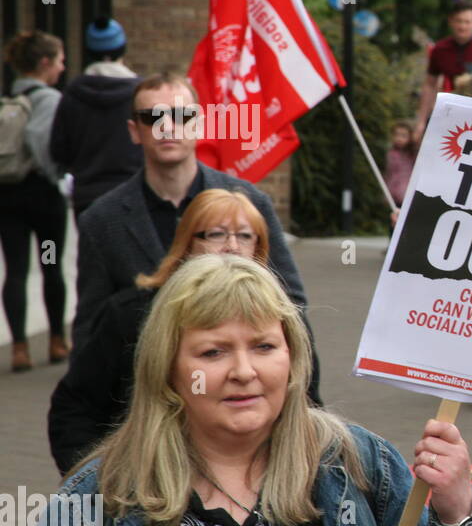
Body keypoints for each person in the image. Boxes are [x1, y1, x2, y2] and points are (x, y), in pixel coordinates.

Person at [0, 254, 472, 526]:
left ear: (293, 358)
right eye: (213, 352)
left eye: (263, 347)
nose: (244, 371)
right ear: (168, 369)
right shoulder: (97, 502)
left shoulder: (355, 466)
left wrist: (455, 513)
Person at [48, 189, 326, 472]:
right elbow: (75, 408)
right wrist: (96, 484)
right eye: (216, 234)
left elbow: (308, 403)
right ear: (186, 243)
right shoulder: (131, 314)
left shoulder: (285, 317)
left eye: (244, 236)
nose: (232, 246)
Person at [71, 72, 307, 355]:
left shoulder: (250, 203)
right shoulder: (102, 220)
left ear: (200, 123)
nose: (168, 127)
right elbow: (90, 328)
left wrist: (306, 393)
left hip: (236, 380)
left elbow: (291, 304)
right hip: (140, 386)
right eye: (152, 117)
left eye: (181, 115)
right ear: (135, 130)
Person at [1, 31, 69, 371]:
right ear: (44, 64)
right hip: (42, 196)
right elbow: (39, 137)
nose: (62, 66)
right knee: (50, 266)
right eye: (59, 60)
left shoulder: (9, 97)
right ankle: (57, 340)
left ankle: (19, 347)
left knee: (15, 270)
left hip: (8, 195)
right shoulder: (49, 99)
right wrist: (57, 174)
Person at [48, 17, 141, 219]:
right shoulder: (140, 93)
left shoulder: (72, 92)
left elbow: (58, 149)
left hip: (86, 195)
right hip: (134, 193)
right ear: (123, 48)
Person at [417, 0, 472, 130]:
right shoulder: (440, 49)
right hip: (456, 111)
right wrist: (421, 122)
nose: (462, 26)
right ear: (451, 21)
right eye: (458, 21)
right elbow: (430, 85)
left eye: (467, 22)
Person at [384, 119, 420, 208]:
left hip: (407, 193)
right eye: (396, 135)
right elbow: (389, 173)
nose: (399, 139)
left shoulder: (412, 154)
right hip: (393, 192)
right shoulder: (391, 153)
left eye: (403, 136)